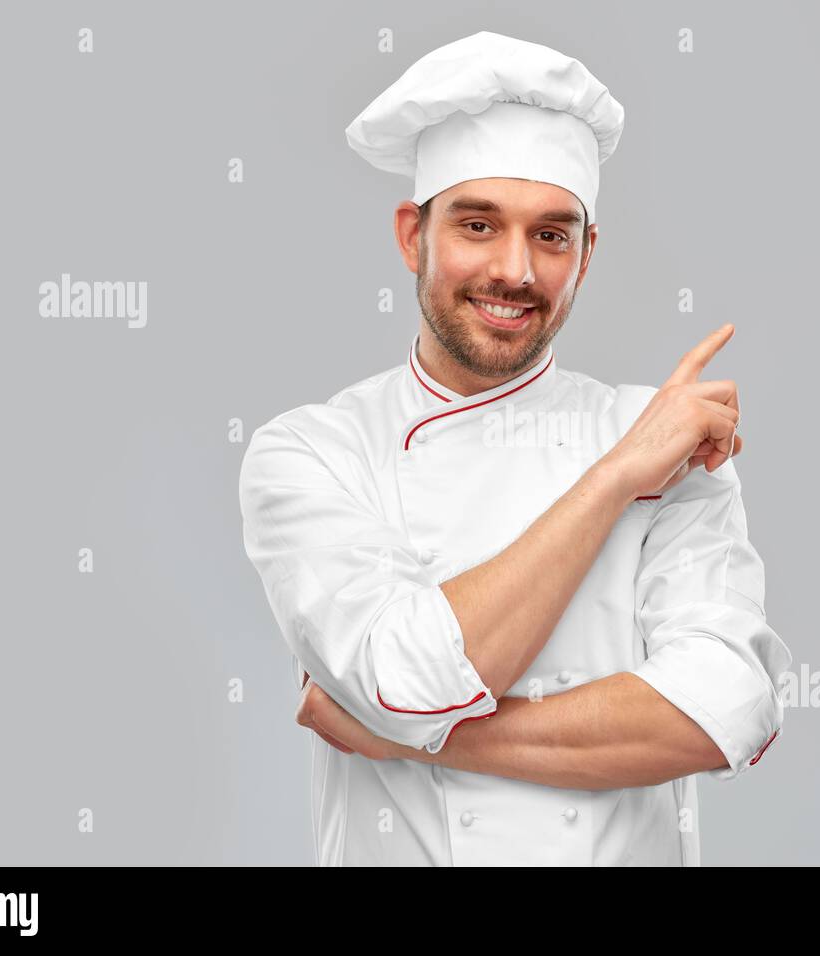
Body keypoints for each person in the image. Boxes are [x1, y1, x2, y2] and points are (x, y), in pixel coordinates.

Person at [238, 31, 791, 866]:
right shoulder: (312, 454)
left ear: (587, 253)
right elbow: (407, 678)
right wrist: (614, 481)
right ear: (411, 237)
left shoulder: (664, 442)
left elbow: (727, 707)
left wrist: (406, 736)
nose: (516, 270)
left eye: (551, 235)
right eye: (477, 224)